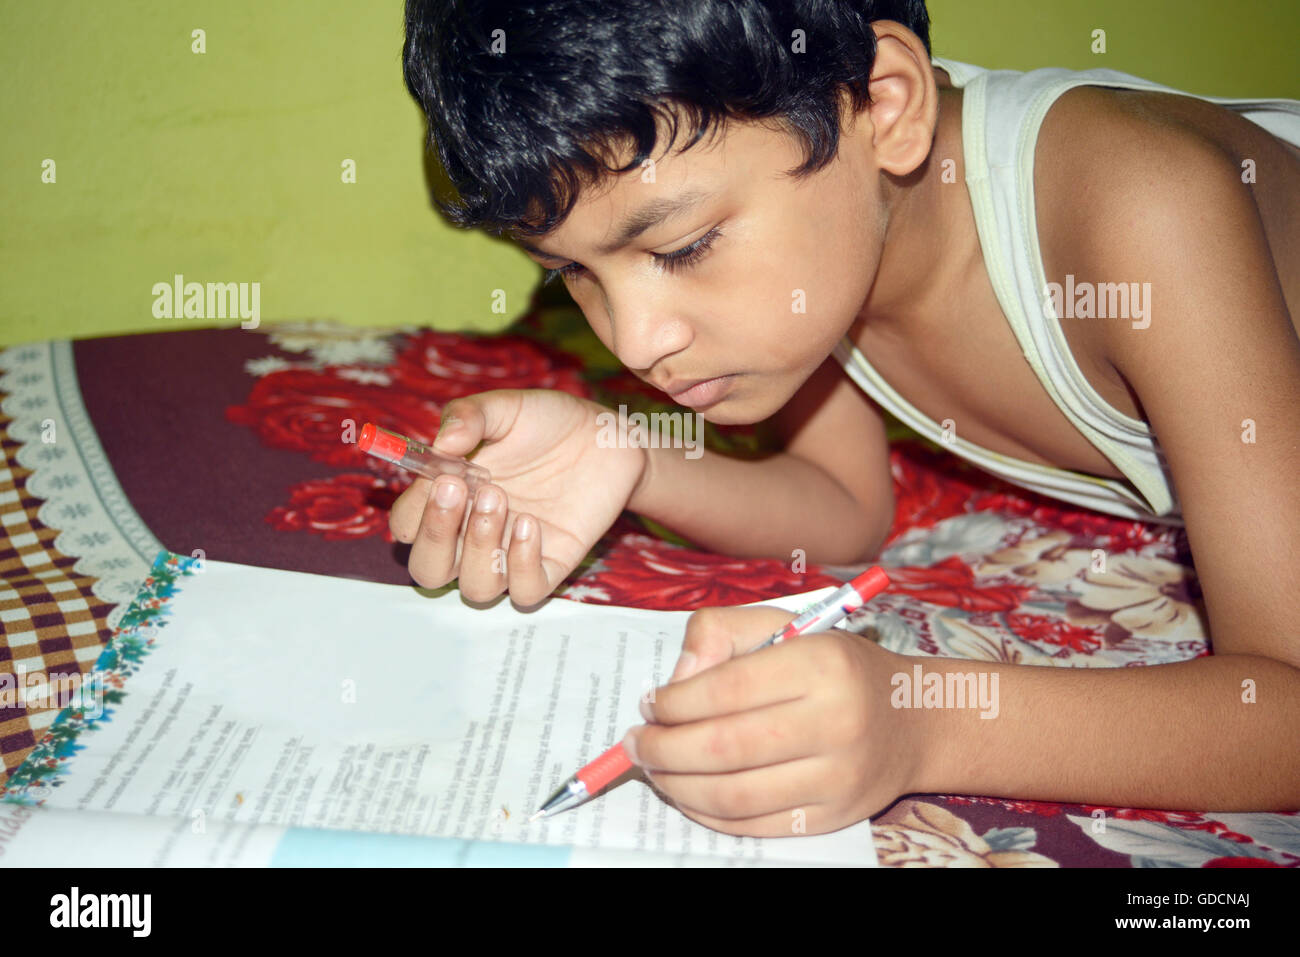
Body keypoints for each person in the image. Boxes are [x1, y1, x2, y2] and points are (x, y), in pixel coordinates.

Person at [390, 0, 1300, 834]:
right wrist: (633, 455)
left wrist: (923, 722)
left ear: (886, 107)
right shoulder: (837, 226)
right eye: (573, 272)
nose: (634, 342)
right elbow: (846, 507)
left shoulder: (1142, 211)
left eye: (684, 244)